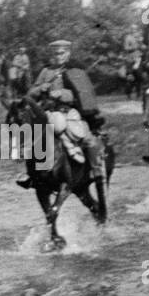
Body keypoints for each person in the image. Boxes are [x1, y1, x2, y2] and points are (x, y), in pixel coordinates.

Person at [18, 39, 104, 187]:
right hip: (47, 111)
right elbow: (31, 93)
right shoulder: (46, 71)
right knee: (30, 134)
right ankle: (30, 174)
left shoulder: (74, 71)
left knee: (84, 136)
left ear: (67, 54)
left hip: (68, 111)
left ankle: (94, 170)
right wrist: (40, 88)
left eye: (61, 53)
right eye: (55, 54)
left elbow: (81, 93)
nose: (58, 56)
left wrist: (62, 93)